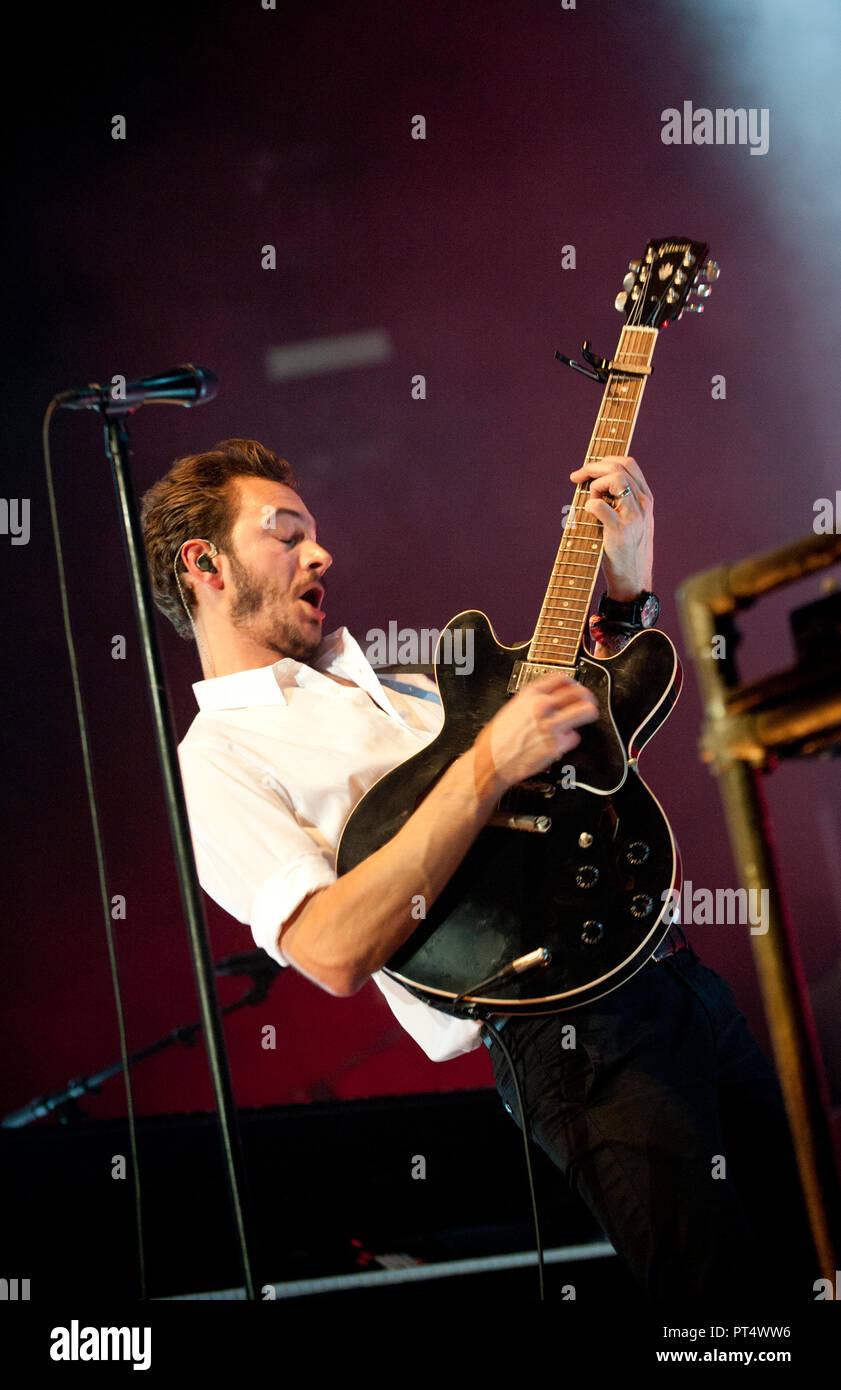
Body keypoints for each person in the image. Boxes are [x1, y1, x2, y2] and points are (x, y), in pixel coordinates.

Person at [141, 437, 816, 1305]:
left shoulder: (411, 686)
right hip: (573, 1042)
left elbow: (593, 731)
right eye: (284, 534)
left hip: (676, 981)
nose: (320, 553)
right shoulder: (219, 758)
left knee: (815, 1269)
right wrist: (487, 762)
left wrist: (625, 580)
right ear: (206, 564)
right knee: (727, 1314)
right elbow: (333, 949)